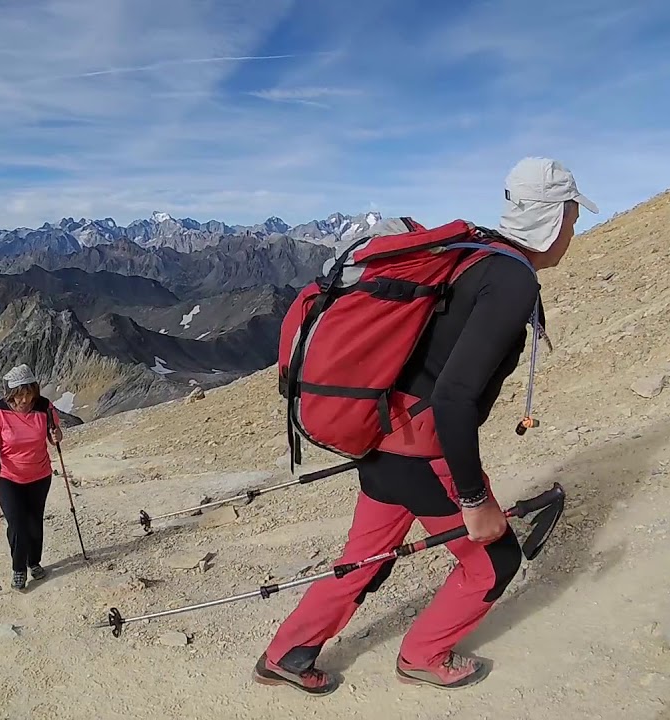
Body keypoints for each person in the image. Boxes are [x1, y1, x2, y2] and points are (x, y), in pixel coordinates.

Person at [255, 157, 598, 694]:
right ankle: (424, 656)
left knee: (363, 560)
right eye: (573, 219)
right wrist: (472, 497)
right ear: (553, 217)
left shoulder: (473, 255)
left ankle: (285, 655)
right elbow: (455, 396)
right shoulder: (511, 278)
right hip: (423, 449)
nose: (574, 232)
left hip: (381, 434)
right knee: (494, 561)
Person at [0, 363, 63, 591]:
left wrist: (56, 435)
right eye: (19, 396)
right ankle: (19, 568)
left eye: (29, 394)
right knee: (17, 523)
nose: (25, 400)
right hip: (8, 476)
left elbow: (53, 435)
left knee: (34, 522)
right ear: (11, 394)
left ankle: (34, 562)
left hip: (39, 475)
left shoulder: (45, 407)